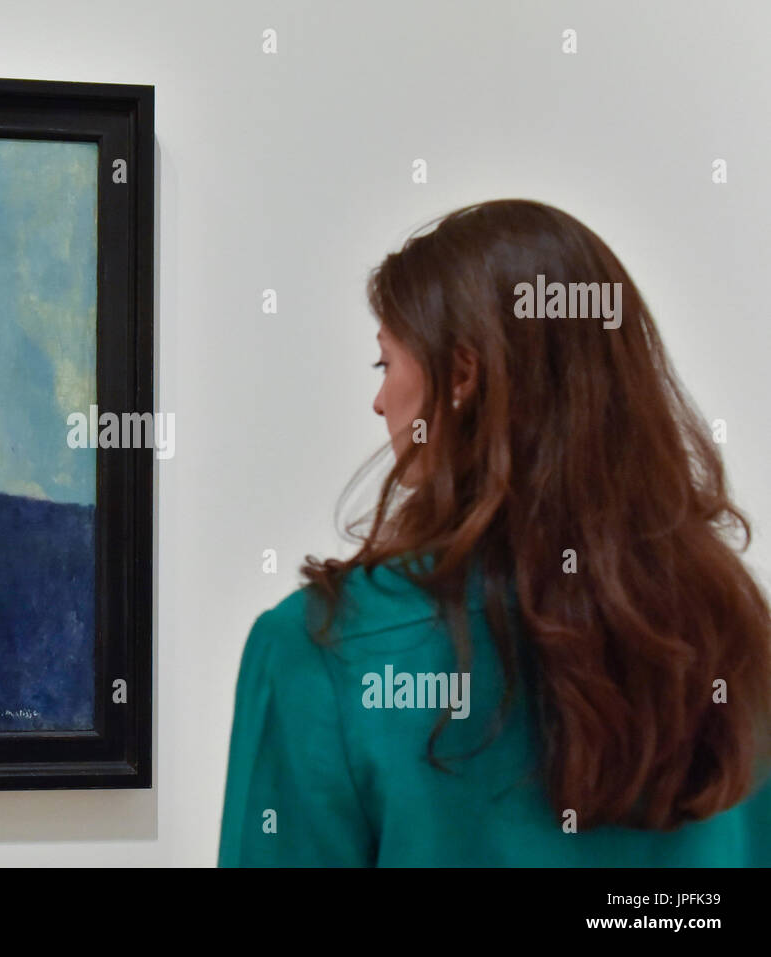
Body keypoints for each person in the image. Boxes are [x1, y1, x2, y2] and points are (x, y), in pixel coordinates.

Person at [218, 199, 771, 865]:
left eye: (385, 363)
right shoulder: (732, 642)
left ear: (460, 375)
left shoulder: (320, 651)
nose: (379, 399)